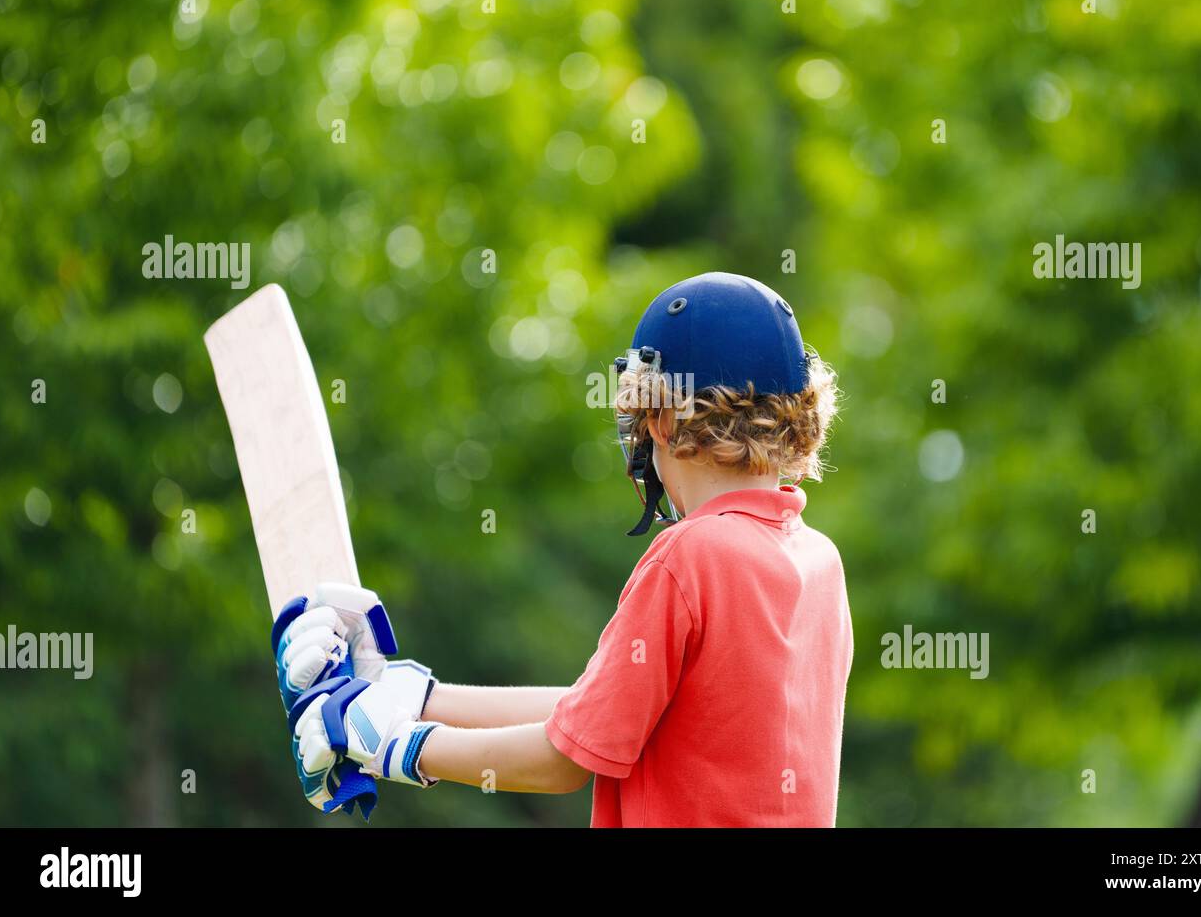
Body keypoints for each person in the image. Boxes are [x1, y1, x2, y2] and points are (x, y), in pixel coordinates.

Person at [275, 271, 853, 826]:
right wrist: (413, 696)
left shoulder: (691, 556)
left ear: (658, 419)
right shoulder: (818, 562)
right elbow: (595, 709)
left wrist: (398, 747)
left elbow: (564, 761)